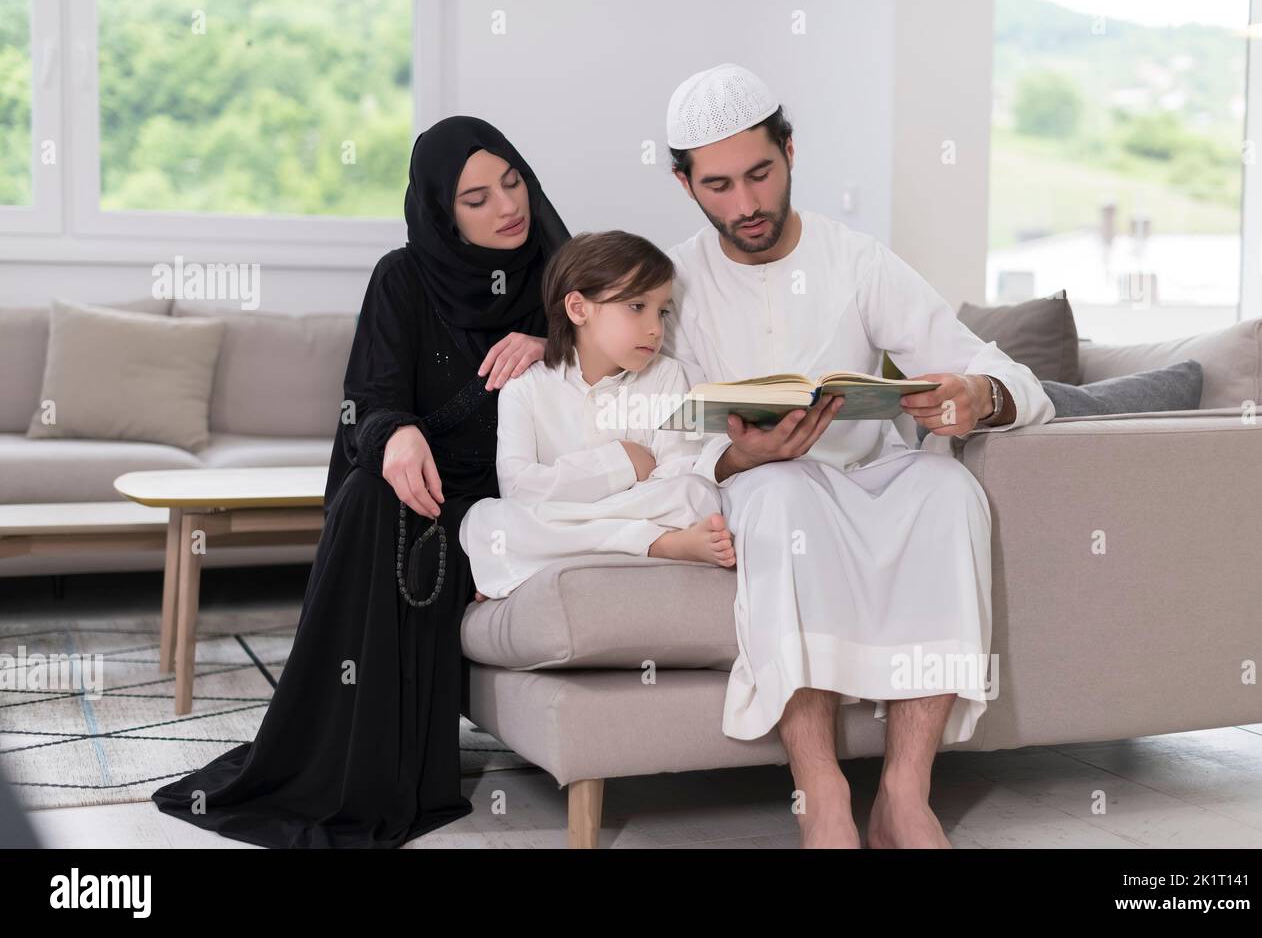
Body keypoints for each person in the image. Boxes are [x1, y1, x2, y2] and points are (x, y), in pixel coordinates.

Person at [660, 63, 1057, 848]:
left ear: (792, 152)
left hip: (869, 479)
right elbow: (654, 436)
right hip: (761, 491)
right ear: (685, 185)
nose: (744, 205)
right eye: (718, 186)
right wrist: (739, 459)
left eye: (760, 174)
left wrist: (978, 394)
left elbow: (1011, 377)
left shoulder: (857, 260)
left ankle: (905, 797)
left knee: (948, 490)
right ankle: (825, 795)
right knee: (780, 493)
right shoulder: (668, 283)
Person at [151, 116, 569, 847]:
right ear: (441, 211)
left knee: (405, 509)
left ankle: (389, 768)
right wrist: (397, 432)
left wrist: (553, 341)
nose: (508, 207)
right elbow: (367, 400)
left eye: (513, 182)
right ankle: (356, 767)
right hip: (421, 488)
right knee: (379, 496)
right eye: (476, 198)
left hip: (509, 500)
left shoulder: (564, 278)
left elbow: (624, 351)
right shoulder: (402, 278)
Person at [460, 230, 734, 601]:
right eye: (637, 307)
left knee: (695, 493)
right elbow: (520, 490)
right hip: (625, 514)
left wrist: (576, 505)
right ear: (578, 308)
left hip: (570, 519)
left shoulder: (667, 375)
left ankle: (536, 557)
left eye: (662, 311)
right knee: (485, 521)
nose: (655, 328)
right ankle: (657, 544)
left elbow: (678, 472)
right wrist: (621, 462)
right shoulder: (525, 387)